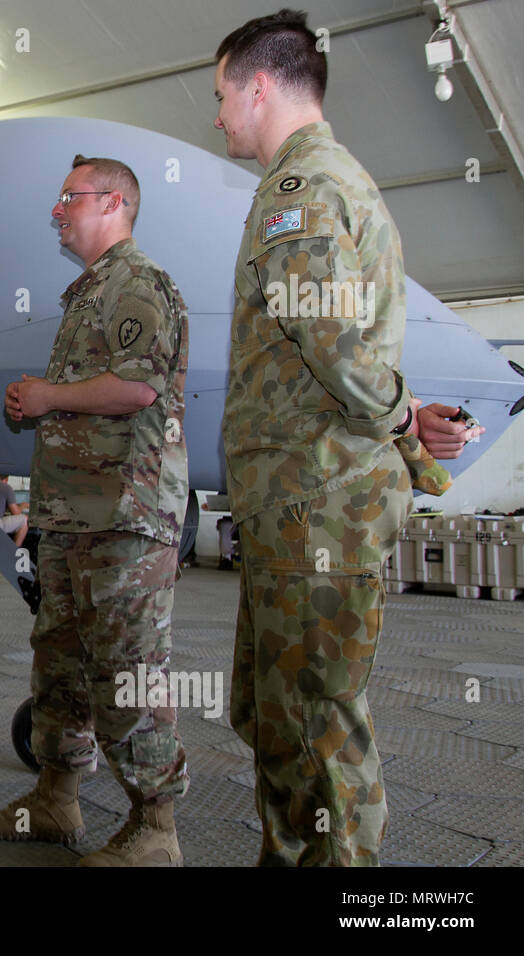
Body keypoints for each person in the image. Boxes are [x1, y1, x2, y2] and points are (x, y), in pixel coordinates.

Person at [212, 9, 482, 866]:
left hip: (313, 508)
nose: (216, 115)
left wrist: (400, 415)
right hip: (303, 503)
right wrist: (403, 415)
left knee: (312, 728)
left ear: (260, 87)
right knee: (277, 714)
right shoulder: (324, 182)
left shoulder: (304, 190)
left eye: (221, 95)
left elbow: (328, 340)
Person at [0, 156, 190, 866]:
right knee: (62, 667)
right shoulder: (88, 293)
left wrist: (45, 397)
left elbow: (138, 390)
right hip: (75, 518)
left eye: (69, 198)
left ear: (114, 202)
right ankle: (55, 799)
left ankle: (156, 829)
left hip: (124, 518)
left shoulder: (138, 283)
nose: (58, 211)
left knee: (127, 673)